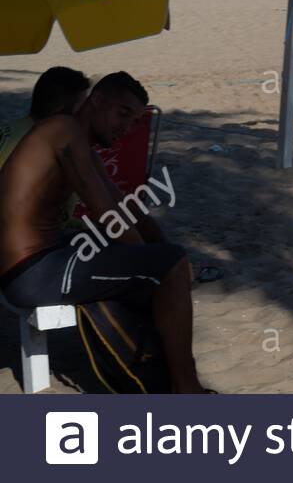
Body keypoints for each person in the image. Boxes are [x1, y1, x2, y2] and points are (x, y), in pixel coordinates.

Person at [0, 72, 208, 393]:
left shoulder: (78, 141)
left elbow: (125, 206)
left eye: (135, 120)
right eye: (122, 113)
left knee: (166, 262)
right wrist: (159, 266)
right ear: (95, 100)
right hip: (30, 274)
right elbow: (107, 215)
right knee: (167, 265)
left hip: (43, 260)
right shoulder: (62, 129)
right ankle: (187, 389)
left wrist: (162, 248)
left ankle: (154, 375)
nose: (126, 127)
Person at [0, 67, 91, 168]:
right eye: (81, 107)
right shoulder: (36, 147)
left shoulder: (13, 127)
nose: (84, 113)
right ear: (59, 110)